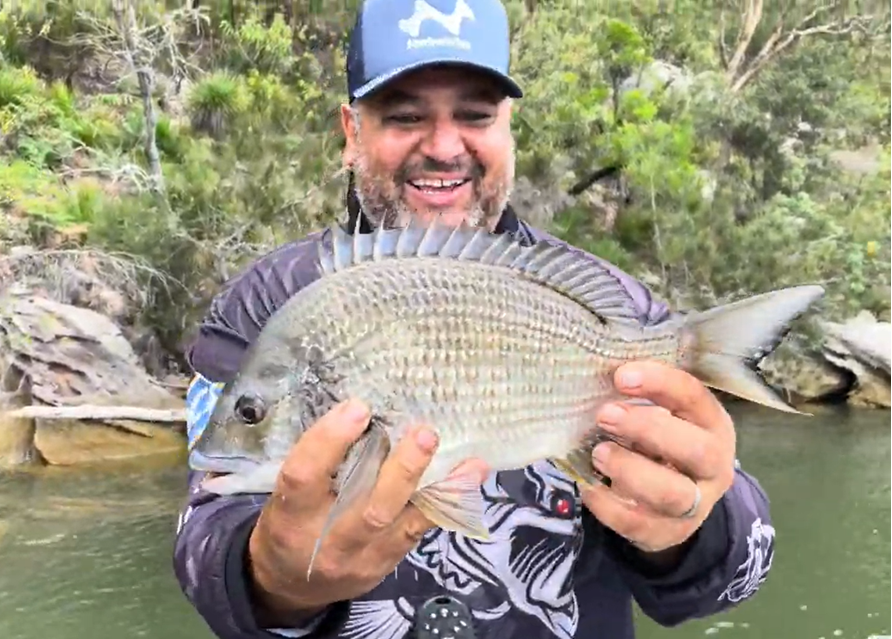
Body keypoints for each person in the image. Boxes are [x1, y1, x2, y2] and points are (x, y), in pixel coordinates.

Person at [173, 0, 777, 637]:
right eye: (405, 116)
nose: (443, 147)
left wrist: (696, 528)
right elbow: (203, 536)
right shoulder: (263, 304)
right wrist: (269, 577)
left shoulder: (608, 303)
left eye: (475, 115)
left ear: (509, 127)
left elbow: (742, 573)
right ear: (351, 131)